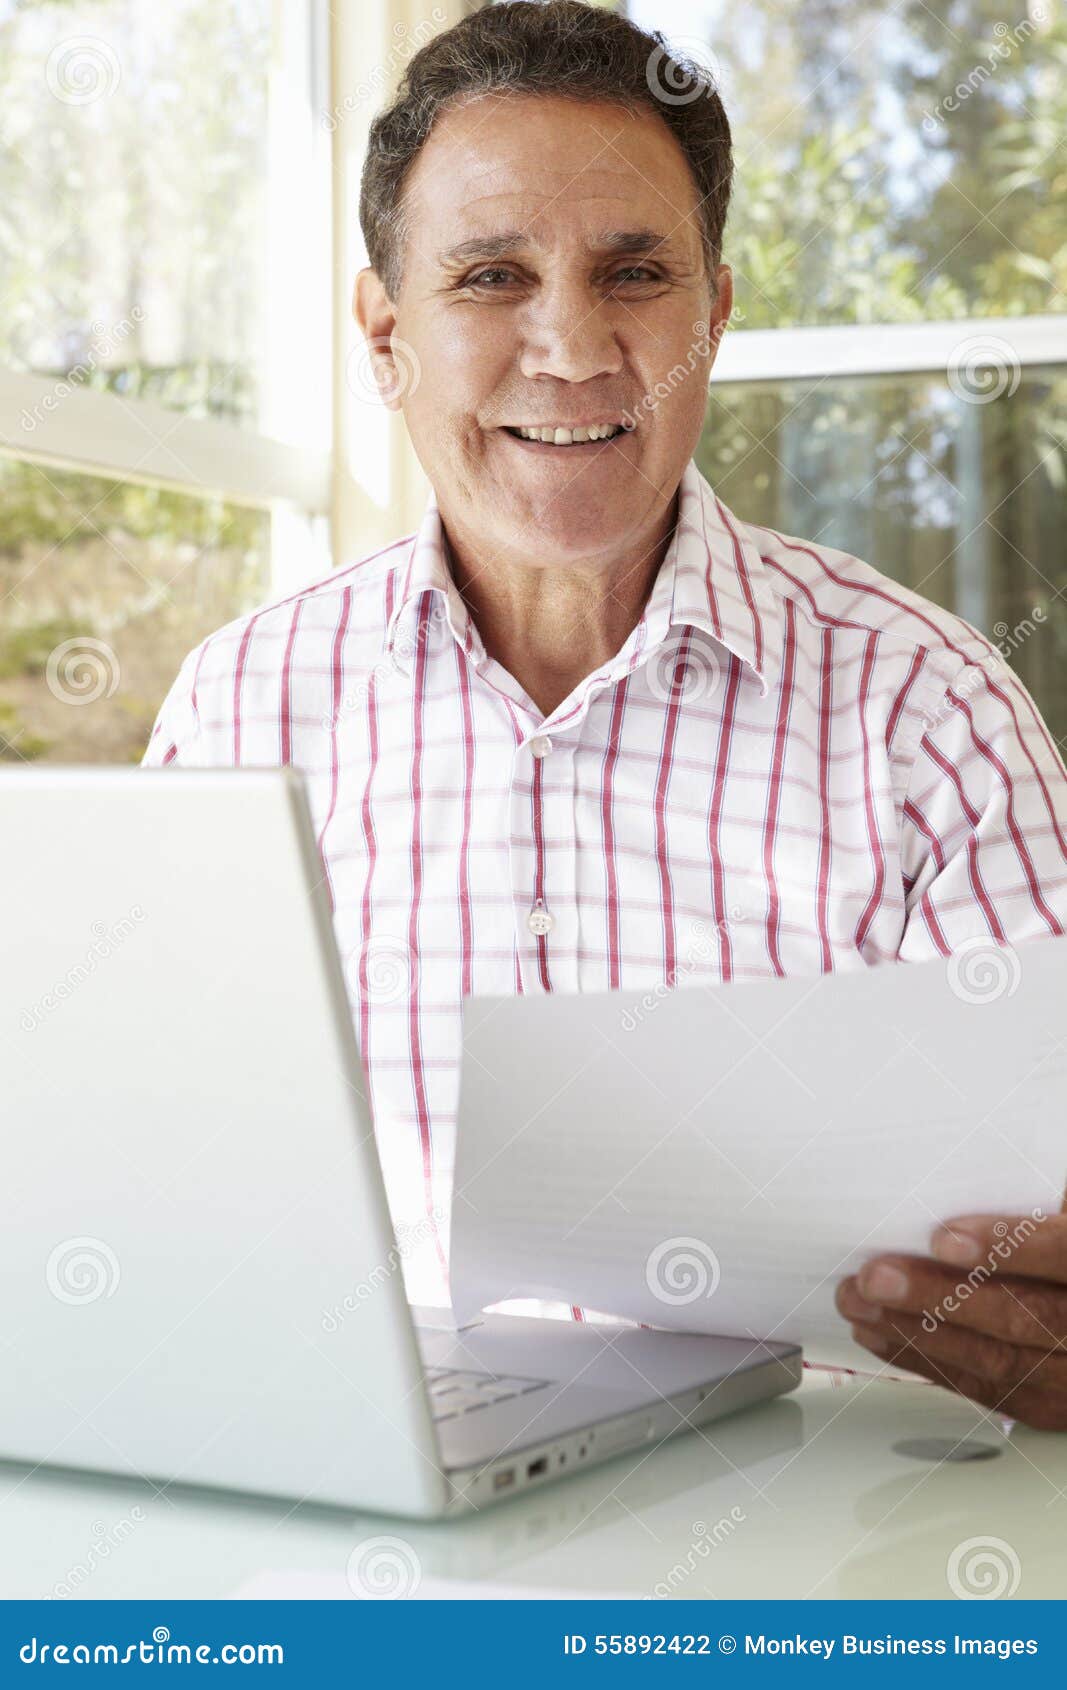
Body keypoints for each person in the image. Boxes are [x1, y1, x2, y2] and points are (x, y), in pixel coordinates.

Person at [143, 1, 1067, 1428]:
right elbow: (138, 1187)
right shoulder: (236, 714)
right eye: (493, 275)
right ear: (384, 335)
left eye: (635, 272)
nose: (571, 347)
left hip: (830, 1559)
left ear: (714, 317)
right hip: (370, 1543)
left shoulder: (930, 717)